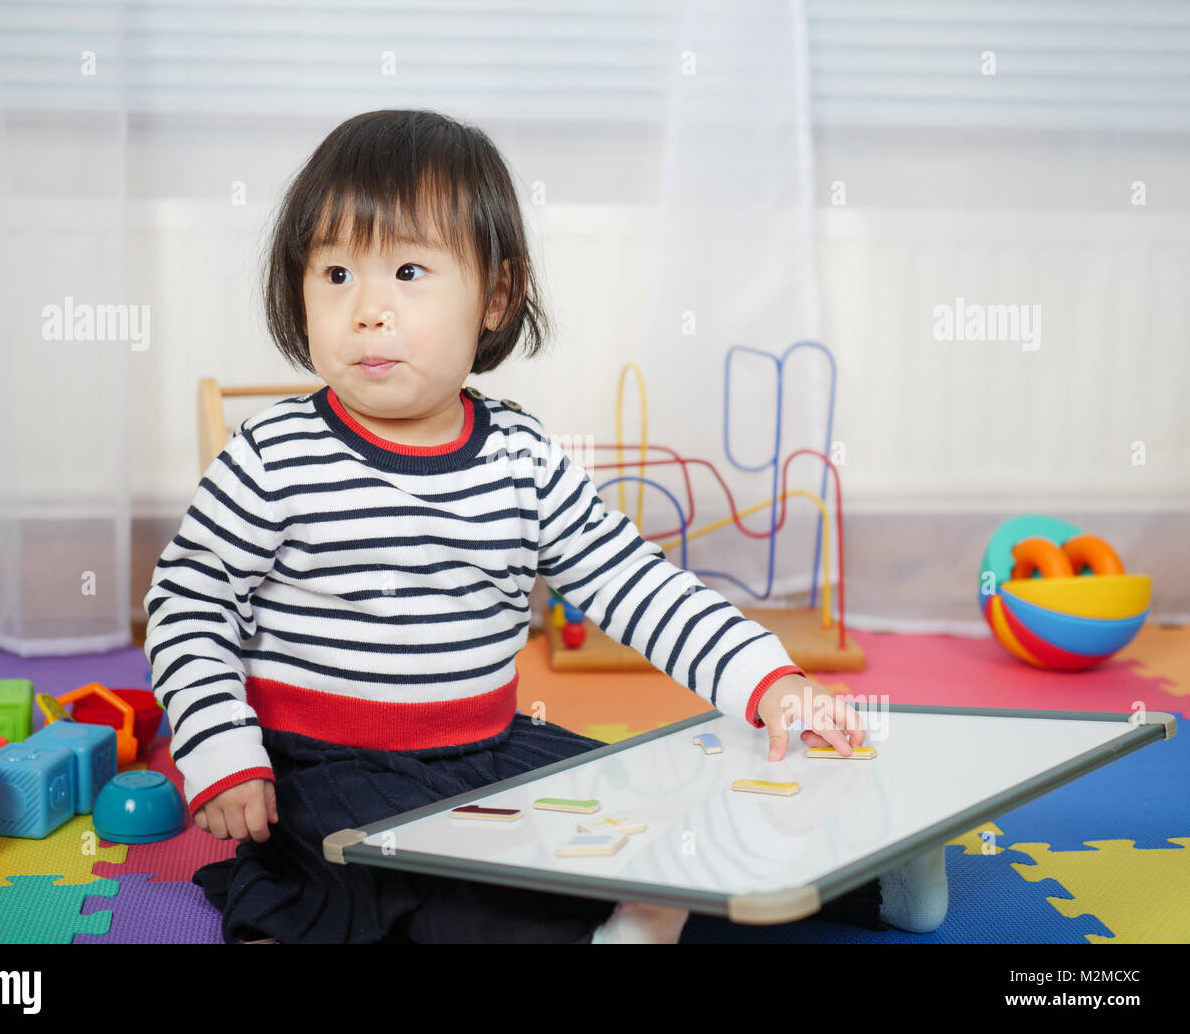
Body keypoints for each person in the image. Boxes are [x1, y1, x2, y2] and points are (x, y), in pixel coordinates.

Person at [144, 108, 948, 943]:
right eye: (337, 273)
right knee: (405, 891)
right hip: (329, 773)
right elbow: (188, 603)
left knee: (661, 801)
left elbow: (636, 584)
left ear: (496, 296)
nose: (367, 309)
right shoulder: (275, 454)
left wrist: (768, 680)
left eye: (409, 270)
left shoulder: (520, 455)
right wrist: (221, 745)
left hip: (487, 752)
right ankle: (620, 921)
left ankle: (874, 879)